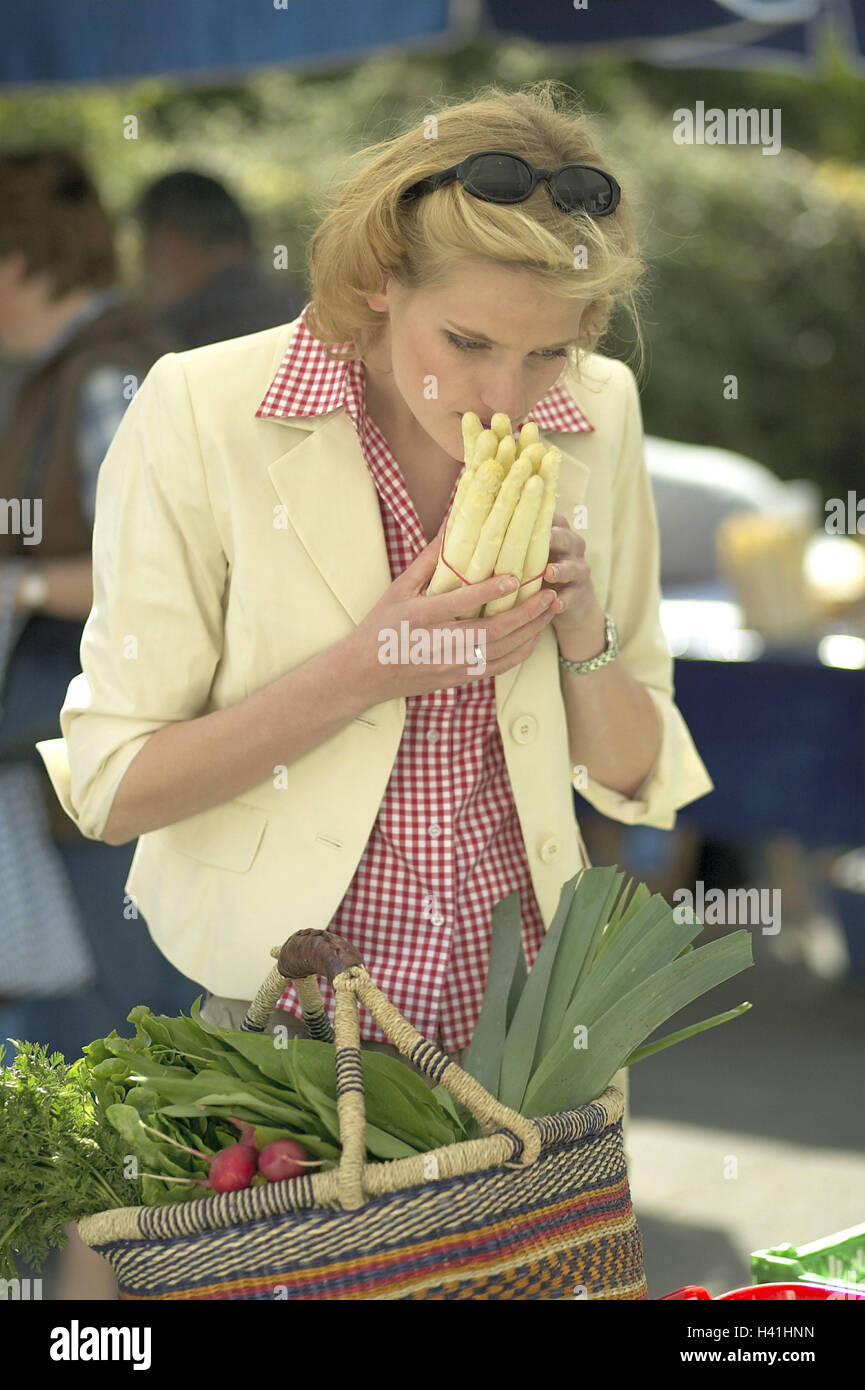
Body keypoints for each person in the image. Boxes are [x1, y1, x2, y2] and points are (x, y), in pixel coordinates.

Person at [37, 85, 713, 1109]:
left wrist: (585, 638)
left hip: (532, 1032)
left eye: (548, 352)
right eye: (469, 343)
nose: (505, 397)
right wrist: (365, 670)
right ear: (380, 280)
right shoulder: (200, 410)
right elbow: (115, 789)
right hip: (286, 1037)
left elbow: (631, 774)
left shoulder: (600, 408)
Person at [0, 149, 196, 1058]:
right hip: (84, 764)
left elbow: (154, 568)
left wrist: (23, 584)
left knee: (117, 1033)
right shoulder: (73, 365)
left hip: (115, 757)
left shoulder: (105, 374)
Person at [134, 169, 307, 349]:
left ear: (170, 241)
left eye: (146, 249)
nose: (145, 272)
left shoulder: (167, 338)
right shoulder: (305, 313)